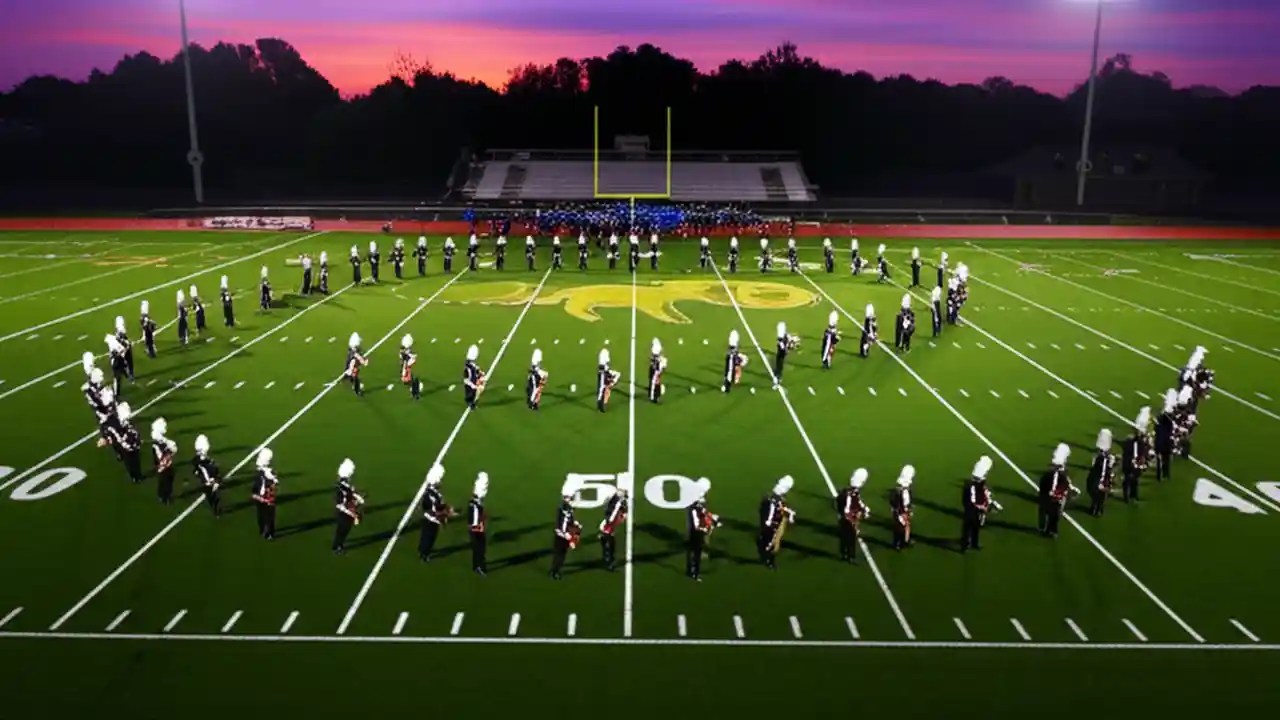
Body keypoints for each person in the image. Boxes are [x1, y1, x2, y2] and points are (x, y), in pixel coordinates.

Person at [836, 469, 869, 563]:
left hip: (847, 518)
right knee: (849, 537)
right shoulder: (850, 494)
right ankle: (849, 556)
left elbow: (858, 502)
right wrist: (851, 517)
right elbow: (848, 507)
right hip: (848, 518)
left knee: (846, 537)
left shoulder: (850, 492)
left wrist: (864, 509)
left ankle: (846, 554)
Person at [419, 464, 450, 561]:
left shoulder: (431, 492)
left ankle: (422, 549)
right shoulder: (434, 495)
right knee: (430, 537)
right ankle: (425, 554)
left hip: (428, 517)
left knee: (425, 535)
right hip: (432, 519)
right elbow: (435, 509)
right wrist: (444, 514)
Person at [332, 458, 363, 555]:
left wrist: (358, 499)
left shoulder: (346, 487)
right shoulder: (341, 490)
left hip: (347, 512)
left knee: (345, 530)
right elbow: (340, 505)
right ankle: (337, 546)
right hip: (343, 514)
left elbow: (351, 494)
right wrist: (353, 514)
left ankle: (339, 545)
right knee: (342, 530)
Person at [251, 448, 278, 540]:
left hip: (269, 499)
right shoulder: (259, 475)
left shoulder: (271, 473)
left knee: (270, 518)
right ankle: (263, 530)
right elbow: (254, 490)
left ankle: (270, 532)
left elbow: (274, 485)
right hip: (261, 499)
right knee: (261, 516)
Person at [191, 434, 221, 517]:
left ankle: (216, 511)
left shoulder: (210, 463)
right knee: (210, 497)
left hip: (212, 482)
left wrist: (217, 482)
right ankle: (214, 507)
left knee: (215, 498)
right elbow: (196, 470)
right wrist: (197, 473)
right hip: (205, 483)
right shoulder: (198, 461)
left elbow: (216, 473)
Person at [150, 417, 178, 505]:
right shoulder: (157, 445)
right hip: (163, 466)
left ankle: (164, 495)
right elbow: (161, 456)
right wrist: (170, 449)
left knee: (167, 481)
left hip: (166, 465)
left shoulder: (162, 442)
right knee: (165, 482)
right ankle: (164, 497)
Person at [599, 487, 627, 571]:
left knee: (609, 544)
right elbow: (610, 512)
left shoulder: (617, 501)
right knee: (610, 545)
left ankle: (608, 560)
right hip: (608, 526)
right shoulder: (614, 502)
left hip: (609, 525)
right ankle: (609, 563)